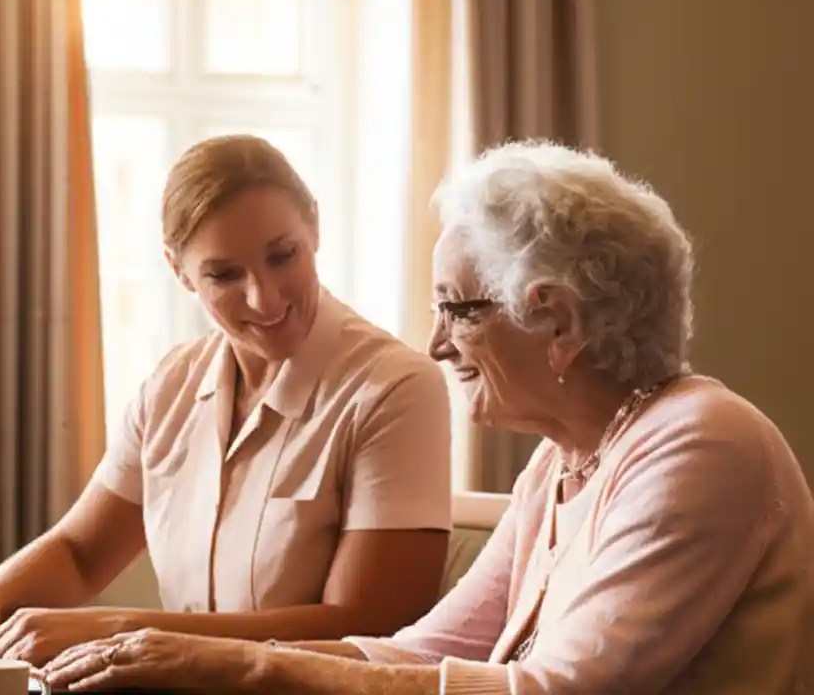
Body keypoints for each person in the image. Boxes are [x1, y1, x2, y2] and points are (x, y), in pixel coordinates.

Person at [43, 141, 814, 693]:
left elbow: (558, 689)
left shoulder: (703, 443)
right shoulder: (564, 460)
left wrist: (243, 666)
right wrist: (178, 661)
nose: (436, 342)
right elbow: (419, 651)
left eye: (457, 308)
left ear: (559, 324)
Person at [0, 135, 452, 667]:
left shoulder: (396, 388)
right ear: (180, 273)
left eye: (284, 256)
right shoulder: (172, 385)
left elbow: (371, 623)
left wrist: (124, 629)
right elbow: (80, 551)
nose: (265, 296)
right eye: (224, 274)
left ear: (315, 230)